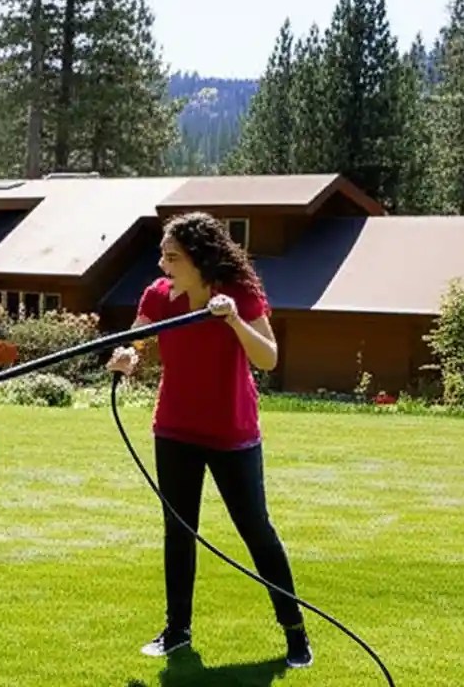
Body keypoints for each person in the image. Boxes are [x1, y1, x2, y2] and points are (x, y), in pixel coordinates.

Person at [105, 211, 312, 669]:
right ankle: (176, 630)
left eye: (172, 257)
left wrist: (234, 321)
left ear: (199, 260)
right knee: (179, 532)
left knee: (256, 532)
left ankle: (295, 632)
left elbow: (269, 358)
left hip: (232, 434)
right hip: (174, 429)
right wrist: (125, 357)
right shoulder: (159, 297)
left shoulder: (238, 295)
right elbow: (137, 342)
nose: (162, 265)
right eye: (162, 254)